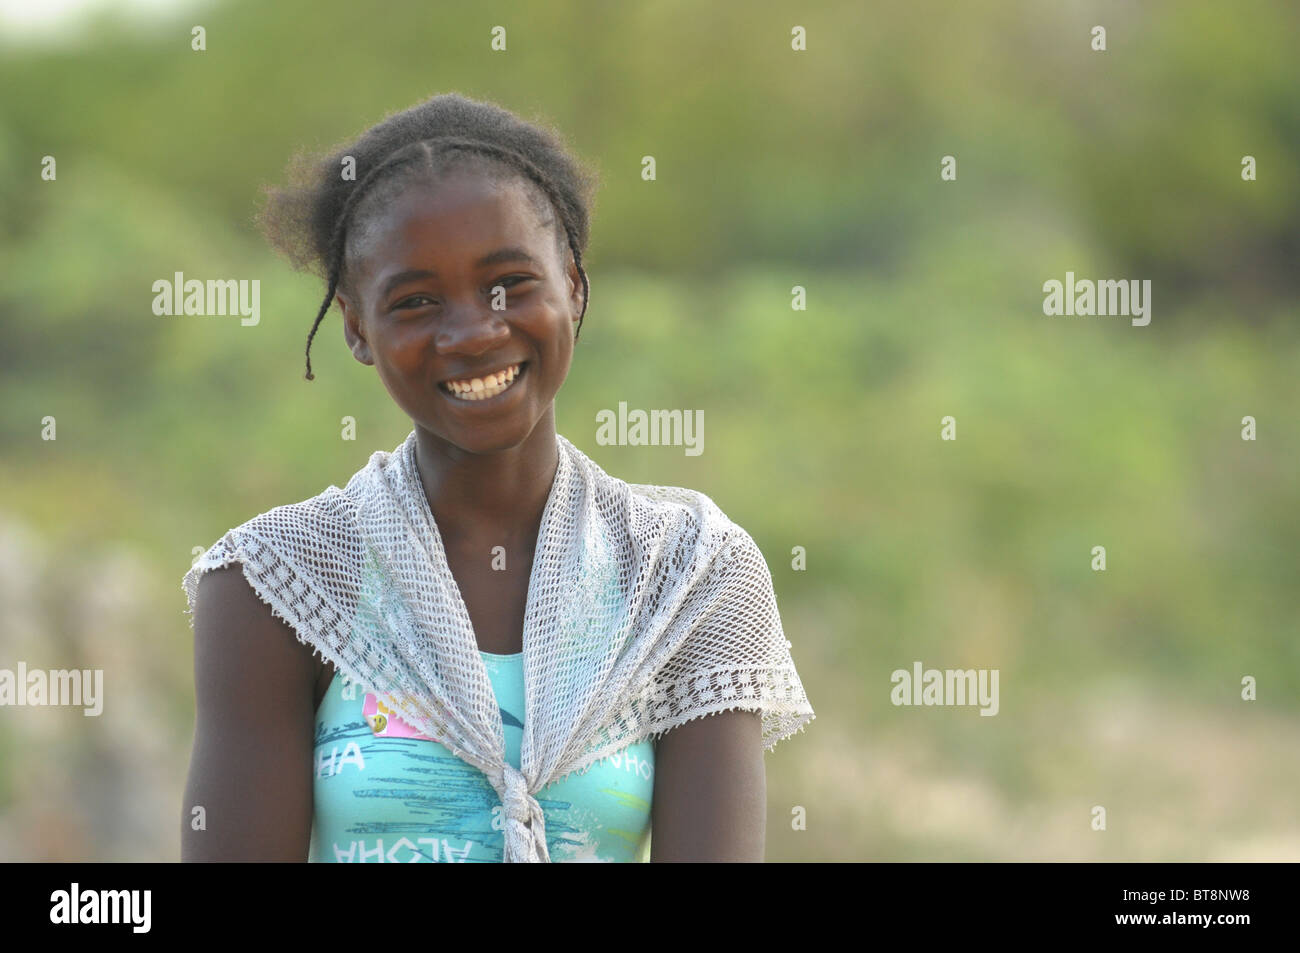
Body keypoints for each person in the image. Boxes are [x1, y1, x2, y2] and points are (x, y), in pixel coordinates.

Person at [180, 92, 813, 862]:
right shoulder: (278, 582)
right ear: (356, 327)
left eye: (509, 284)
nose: (474, 331)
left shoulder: (684, 574)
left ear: (574, 286)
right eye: (415, 301)